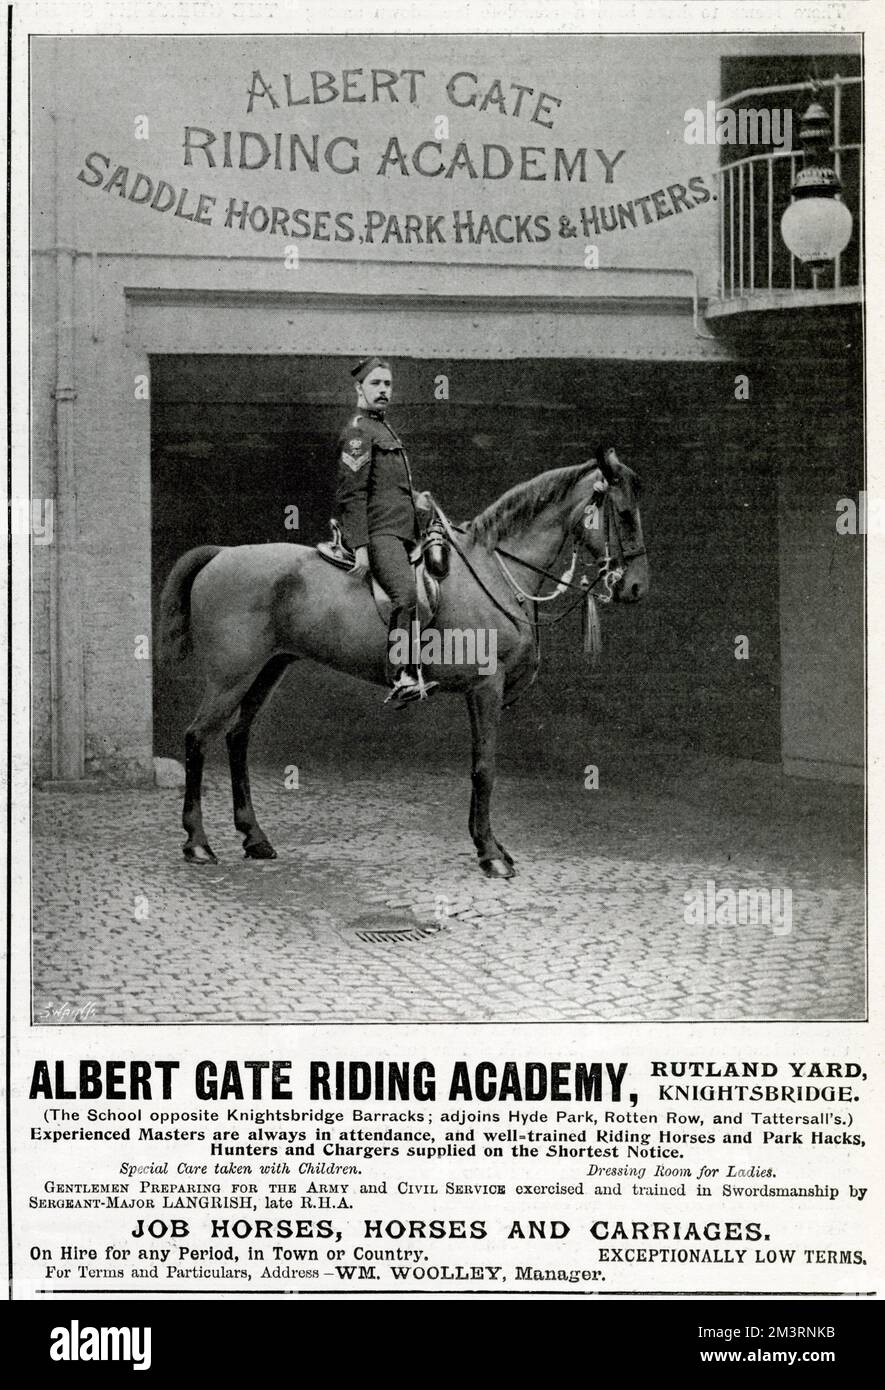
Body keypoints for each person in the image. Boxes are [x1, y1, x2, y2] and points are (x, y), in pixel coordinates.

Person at [333, 356, 437, 706]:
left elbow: (389, 488)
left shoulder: (386, 429)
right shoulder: (359, 432)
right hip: (380, 533)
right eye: (376, 383)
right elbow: (352, 493)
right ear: (358, 388)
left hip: (404, 531)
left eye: (387, 384)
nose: (383, 391)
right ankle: (402, 675)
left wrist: (417, 502)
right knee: (406, 596)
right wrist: (360, 545)